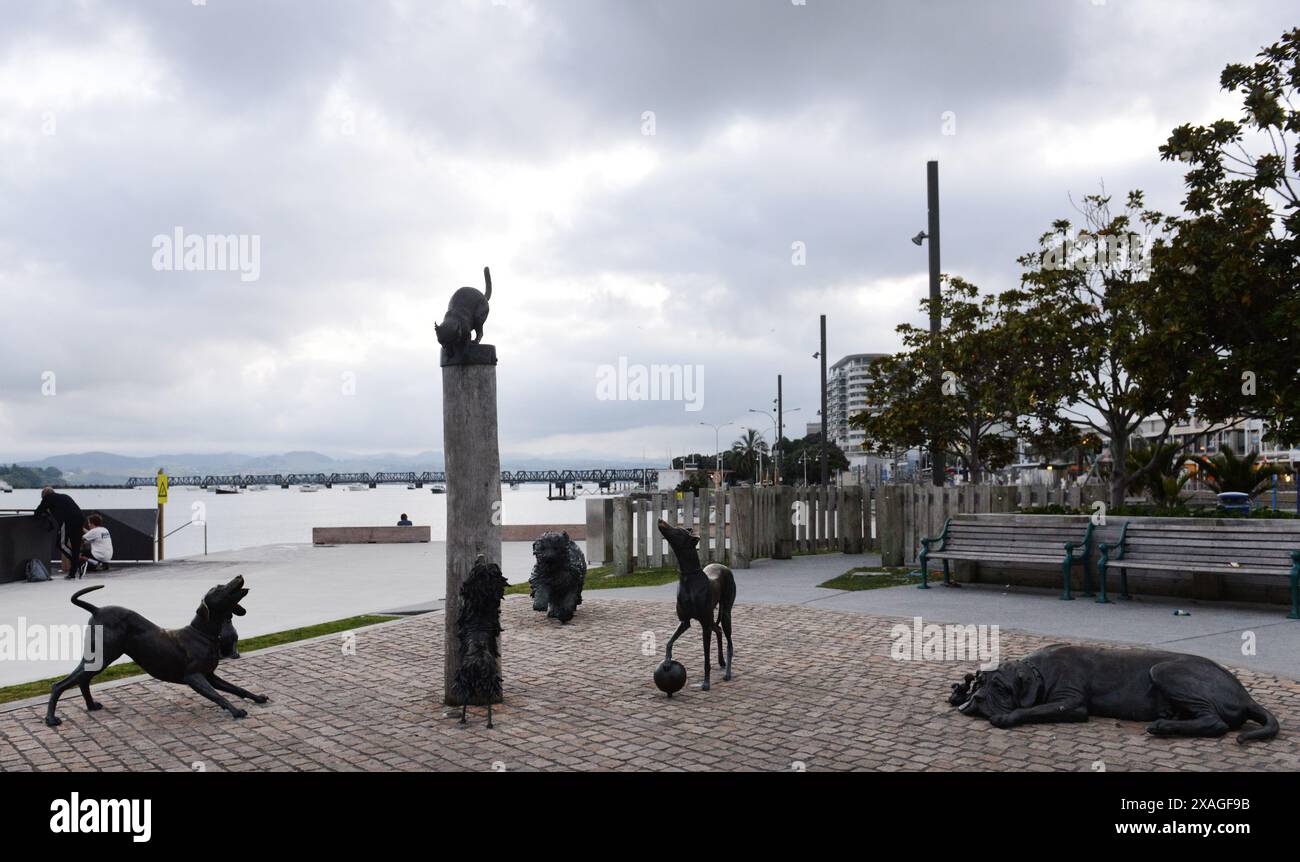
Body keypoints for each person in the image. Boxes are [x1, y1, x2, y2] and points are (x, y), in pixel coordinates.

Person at [33, 486, 85, 579]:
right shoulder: (64, 496)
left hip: (68, 521)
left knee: (61, 544)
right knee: (75, 546)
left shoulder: (48, 498)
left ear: (44, 495)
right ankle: (73, 573)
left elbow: (37, 512)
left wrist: (46, 511)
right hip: (79, 519)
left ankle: (78, 562)